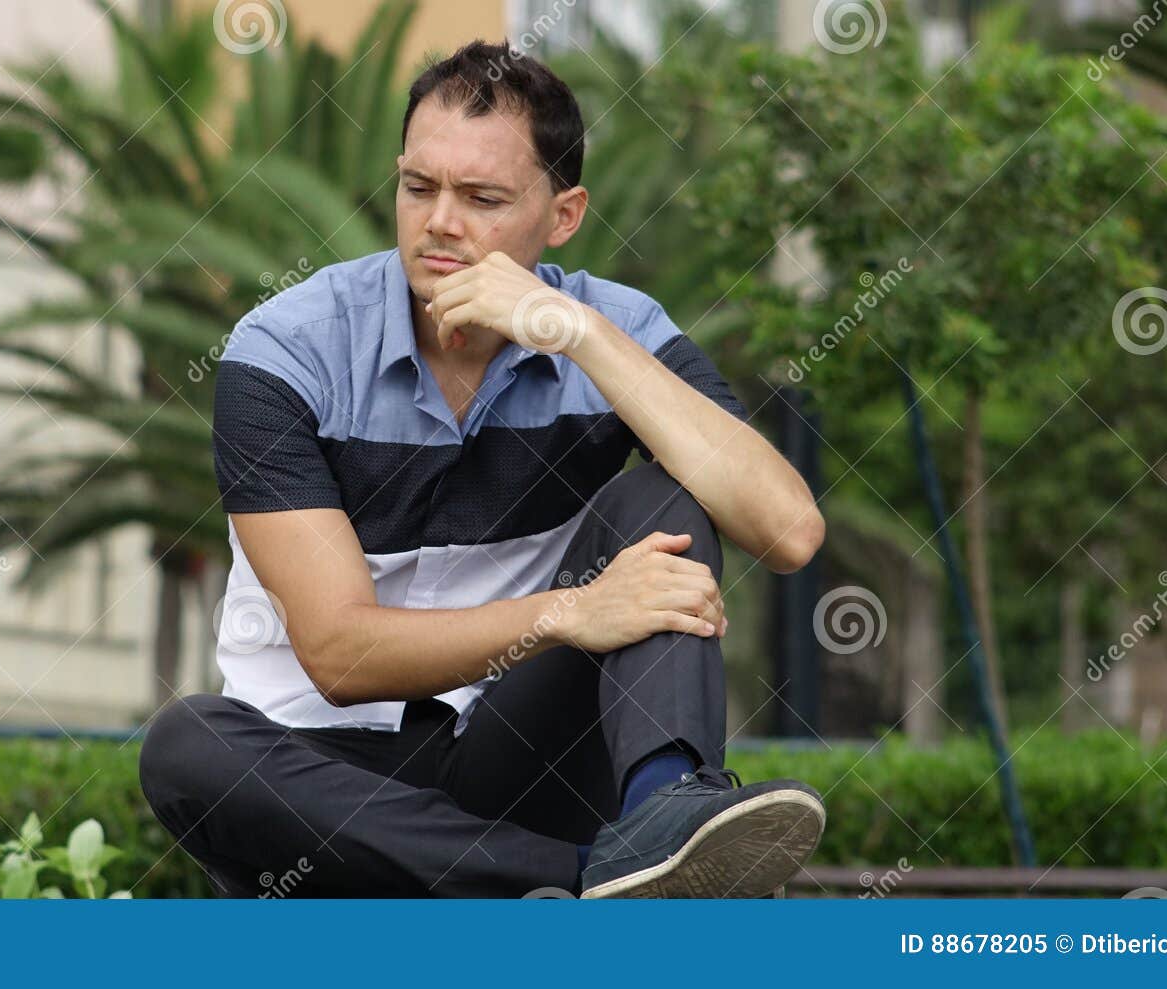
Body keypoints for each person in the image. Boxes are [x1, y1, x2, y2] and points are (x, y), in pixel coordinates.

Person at [139, 39, 827, 899]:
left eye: (484, 197)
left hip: (514, 758)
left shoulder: (616, 329)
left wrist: (578, 333)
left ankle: (667, 811)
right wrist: (573, 612)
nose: (440, 223)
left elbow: (789, 528)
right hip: (321, 794)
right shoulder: (287, 352)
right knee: (186, 744)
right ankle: (607, 881)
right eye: (418, 187)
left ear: (563, 214)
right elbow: (341, 654)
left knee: (665, 496)